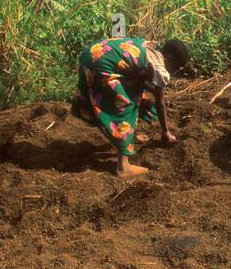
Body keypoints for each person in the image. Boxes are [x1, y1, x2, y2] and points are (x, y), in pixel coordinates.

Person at [70, 37, 190, 177]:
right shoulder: (159, 66)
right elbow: (160, 102)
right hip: (102, 64)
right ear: (169, 57)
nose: (174, 70)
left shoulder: (150, 47)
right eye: (176, 66)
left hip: (92, 54)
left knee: (131, 93)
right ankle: (123, 167)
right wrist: (166, 132)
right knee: (127, 104)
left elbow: (133, 72)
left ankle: (116, 137)